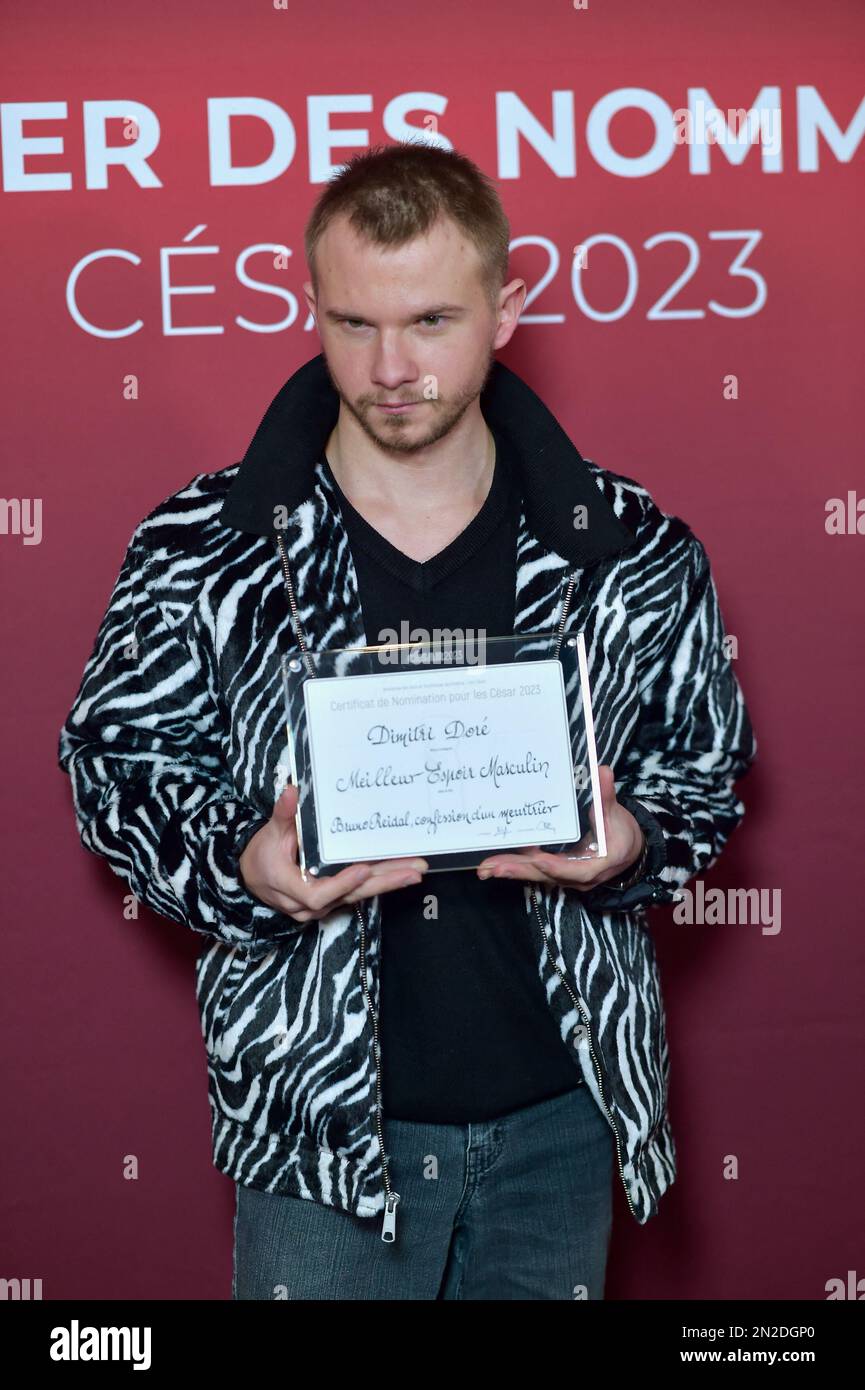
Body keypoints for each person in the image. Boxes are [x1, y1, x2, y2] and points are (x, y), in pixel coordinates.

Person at [58, 141, 757, 1300]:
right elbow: (113, 764)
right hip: (318, 1129)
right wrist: (242, 863)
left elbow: (705, 771)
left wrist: (633, 843)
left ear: (506, 309)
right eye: (353, 323)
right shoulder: (202, 545)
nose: (390, 367)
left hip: (563, 1118)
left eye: (431, 320)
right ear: (312, 310)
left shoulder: (628, 549)